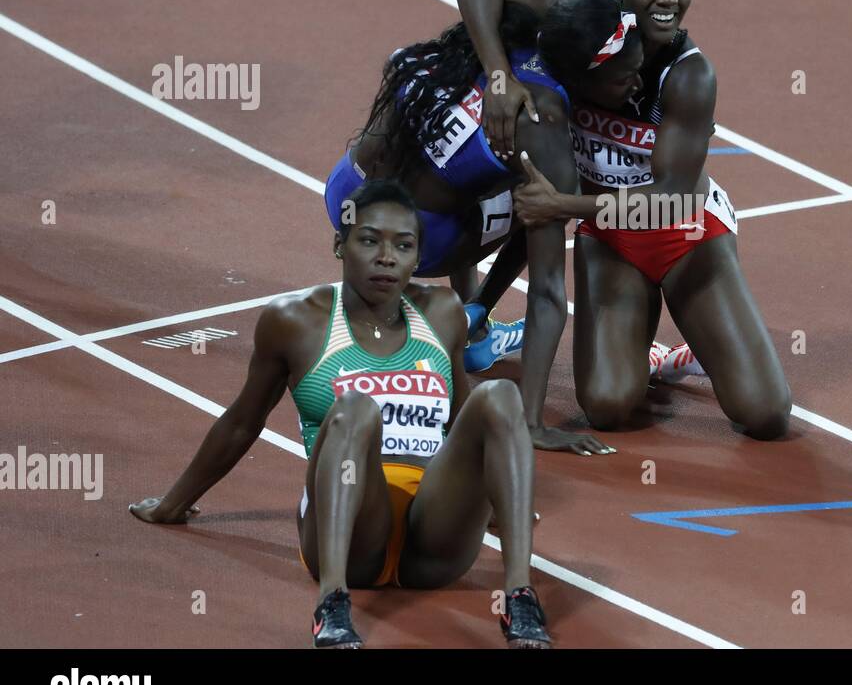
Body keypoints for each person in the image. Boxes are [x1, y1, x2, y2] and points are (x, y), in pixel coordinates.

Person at [130, 181, 551, 648]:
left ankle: (520, 600)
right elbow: (242, 422)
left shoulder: (443, 312)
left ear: (418, 258)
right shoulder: (296, 320)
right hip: (351, 534)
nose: (386, 257)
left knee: (499, 396)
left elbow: (462, 420)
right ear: (339, 244)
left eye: (403, 246)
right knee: (355, 409)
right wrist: (172, 504)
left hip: (431, 534)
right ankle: (333, 604)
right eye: (370, 240)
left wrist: (496, 501)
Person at [452, 0, 791, 440]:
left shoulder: (690, 75)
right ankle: (646, 353)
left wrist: (564, 206)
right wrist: (499, 76)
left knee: (766, 415)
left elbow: (672, 201)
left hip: (688, 236)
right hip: (611, 243)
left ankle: (692, 341)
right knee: (608, 408)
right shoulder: (580, 23)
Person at [329, 3, 632, 456]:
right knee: (540, 197)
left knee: (468, 170)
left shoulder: (496, 38)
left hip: (346, 190)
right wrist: (532, 422)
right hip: (416, 241)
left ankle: (467, 322)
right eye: (626, 78)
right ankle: (475, 320)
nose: (637, 87)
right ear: (585, 77)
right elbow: (548, 292)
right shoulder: (543, 124)